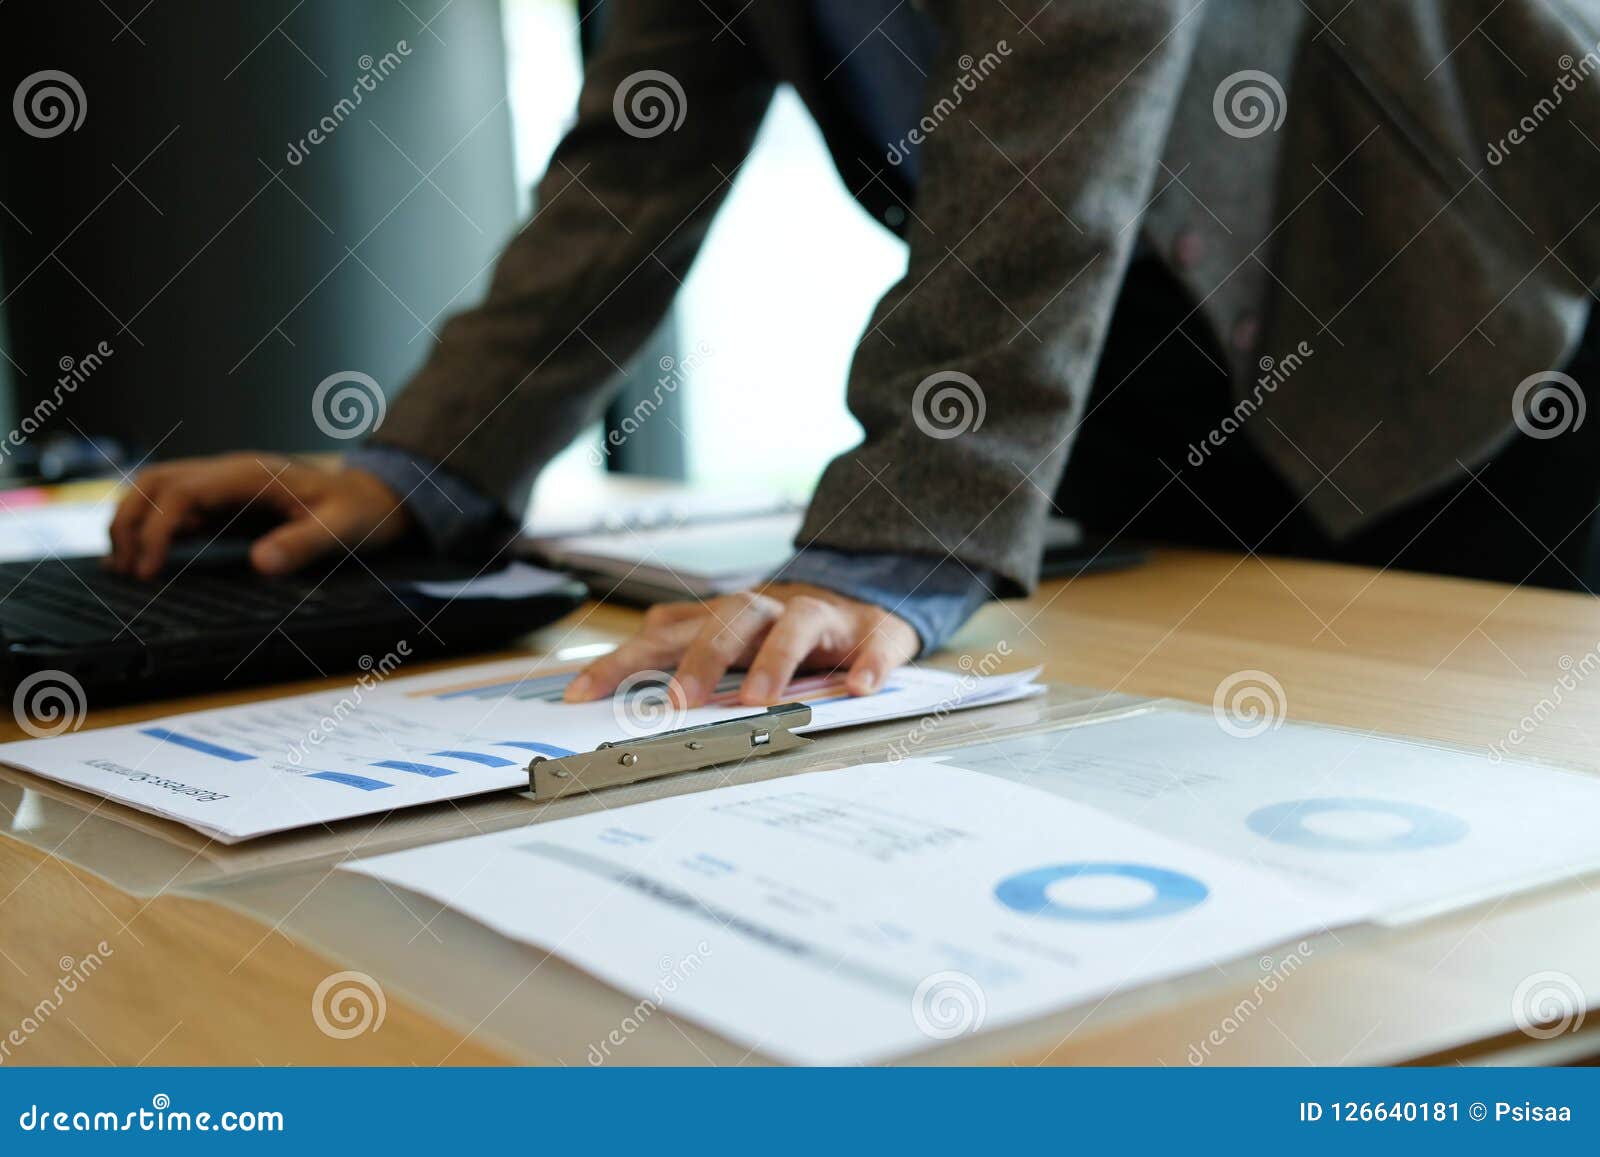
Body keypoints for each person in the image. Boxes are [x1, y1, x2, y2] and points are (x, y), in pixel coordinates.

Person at [107, 1, 1600, 707]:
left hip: (1458, 290)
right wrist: (424, 460)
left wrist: (896, 536)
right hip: (1119, 343)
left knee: (1489, 843)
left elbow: (1073, 48)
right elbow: (637, 145)